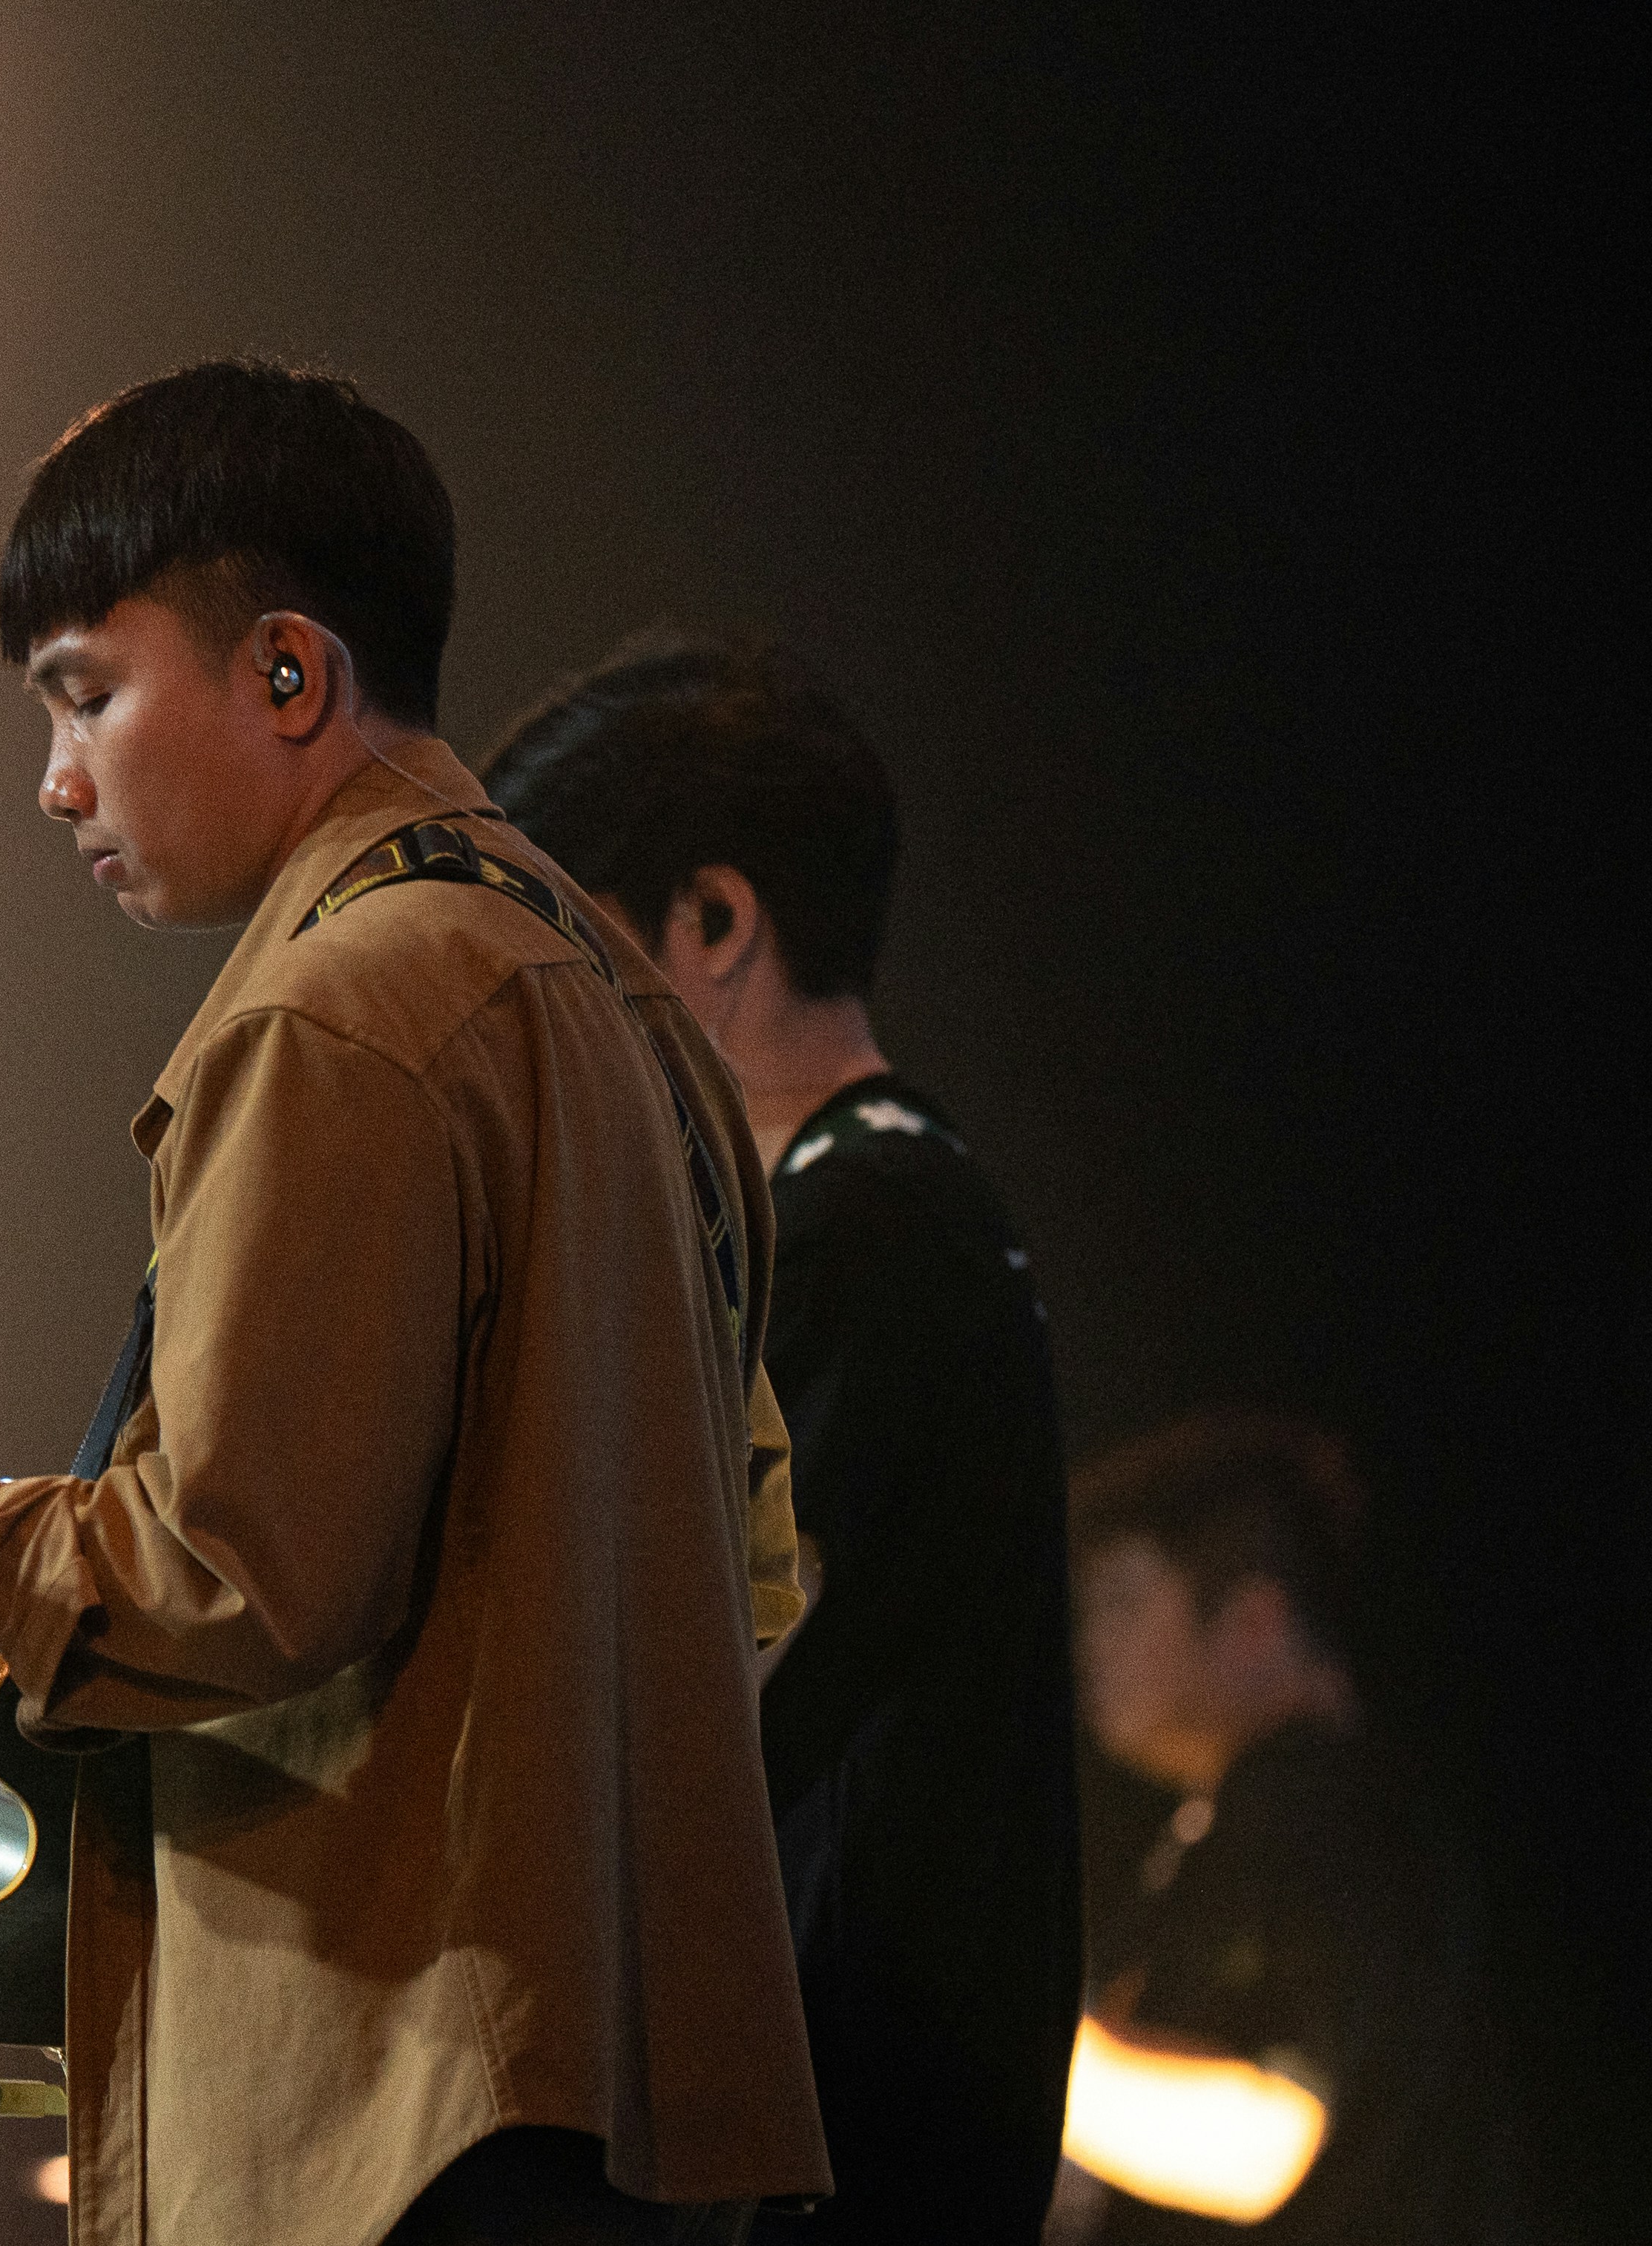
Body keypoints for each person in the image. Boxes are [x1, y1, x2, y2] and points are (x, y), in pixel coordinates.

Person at [0, 361, 832, 2245]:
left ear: (287, 675)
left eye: (85, 695)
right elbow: (761, 1558)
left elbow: (223, 1570)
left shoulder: (333, 1007)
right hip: (619, 2093)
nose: (56, 782)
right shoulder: (622, 1006)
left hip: (402, 2120)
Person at [483, 638, 1083, 2243]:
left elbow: (693, 1695)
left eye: (562, 955)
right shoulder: (894, 1202)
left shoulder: (857, 1223)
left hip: (840, 2146)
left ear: (713, 922)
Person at [1053, 1411, 1523, 2244]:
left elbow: (1258, 2141)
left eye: (1121, 1603)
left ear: (1254, 1623)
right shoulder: (1255, 1816)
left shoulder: (1333, 1812)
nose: (1090, 1644)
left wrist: (1002, 2049)